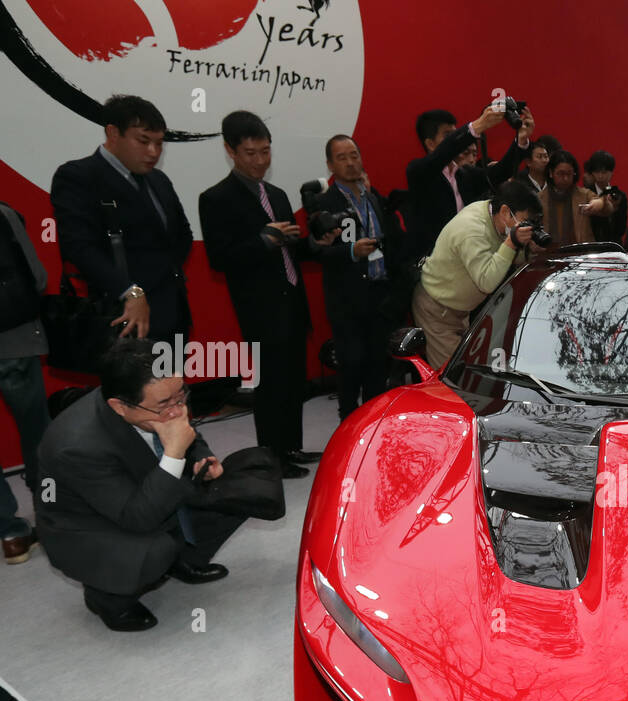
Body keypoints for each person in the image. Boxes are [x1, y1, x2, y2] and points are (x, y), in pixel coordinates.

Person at [36, 339, 247, 631]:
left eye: (181, 395)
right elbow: (137, 518)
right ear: (120, 407)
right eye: (165, 405)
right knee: (155, 548)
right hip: (91, 525)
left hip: (146, 488)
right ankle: (106, 599)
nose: (177, 410)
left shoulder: (164, 394)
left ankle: (182, 560)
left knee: (247, 484)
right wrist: (174, 453)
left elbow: (188, 434)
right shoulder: (76, 446)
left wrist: (201, 458)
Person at [198, 110, 322, 478]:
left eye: (265, 151)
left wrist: (315, 243)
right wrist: (264, 241)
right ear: (230, 151)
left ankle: (291, 445)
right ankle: (272, 457)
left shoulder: (278, 194)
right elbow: (220, 258)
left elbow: (292, 250)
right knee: (271, 385)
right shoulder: (216, 198)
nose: (259, 161)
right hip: (260, 308)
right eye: (250, 153)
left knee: (294, 380)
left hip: (293, 301)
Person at [50, 94, 193, 341]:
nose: (153, 152)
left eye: (159, 143)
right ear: (113, 133)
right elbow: (79, 247)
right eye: (143, 141)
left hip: (172, 314)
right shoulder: (79, 176)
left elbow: (181, 236)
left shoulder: (159, 180)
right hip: (119, 317)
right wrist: (130, 291)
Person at [313, 135, 402, 419]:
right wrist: (351, 251)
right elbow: (317, 251)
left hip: (379, 296)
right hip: (347, 300)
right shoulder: (323, 203)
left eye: (354, 155)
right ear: (330, 165)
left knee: (378, 366)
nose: (350, 162)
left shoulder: (372, 198)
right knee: (351, 366)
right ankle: (348, 425)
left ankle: (372, 424)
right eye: (342, 158)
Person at [411, 180, 540, 368]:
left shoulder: (492, 215)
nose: (524, 227)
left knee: (468, 371)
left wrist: (527, 248)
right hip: (438, 312)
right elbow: (486, 282)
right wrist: (511, 243)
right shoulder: (472, 230)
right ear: (505, 212)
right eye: (524, 221)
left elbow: (506, 259)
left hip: (461, 312)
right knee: (453, 375)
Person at [0, 201, 49, 565]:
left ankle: (10, 534)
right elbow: (38, 277)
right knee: (36, 430)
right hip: (12, 340)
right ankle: (50, 512)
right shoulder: (2, 214)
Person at [404, 104, 512, 262]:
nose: (456, 140)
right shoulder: (419, 171)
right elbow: (442, 155)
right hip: (434, 263)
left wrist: (521, 141)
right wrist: (476, 127)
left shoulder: (464, 174)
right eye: (448, 135)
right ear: (430, 144)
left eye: (455, 134)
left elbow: (500, 173)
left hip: (467, 258)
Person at [538, 150, 610, 248]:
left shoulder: (584, 195)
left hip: (580, 252)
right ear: (551, 173)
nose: (565, 178)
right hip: (547, 252)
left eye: (569, 174)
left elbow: (607, 208)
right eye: (561, 174)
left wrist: (600, 202)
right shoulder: (539, 198)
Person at [584, 151, 628, 245]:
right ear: (592, 173)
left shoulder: (619, 195)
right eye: (597, 172)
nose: (600, 176)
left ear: (611, 172)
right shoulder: (586, 194)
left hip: (613, 244)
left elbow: (621, 228)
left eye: (604, 172)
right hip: (591, 243)